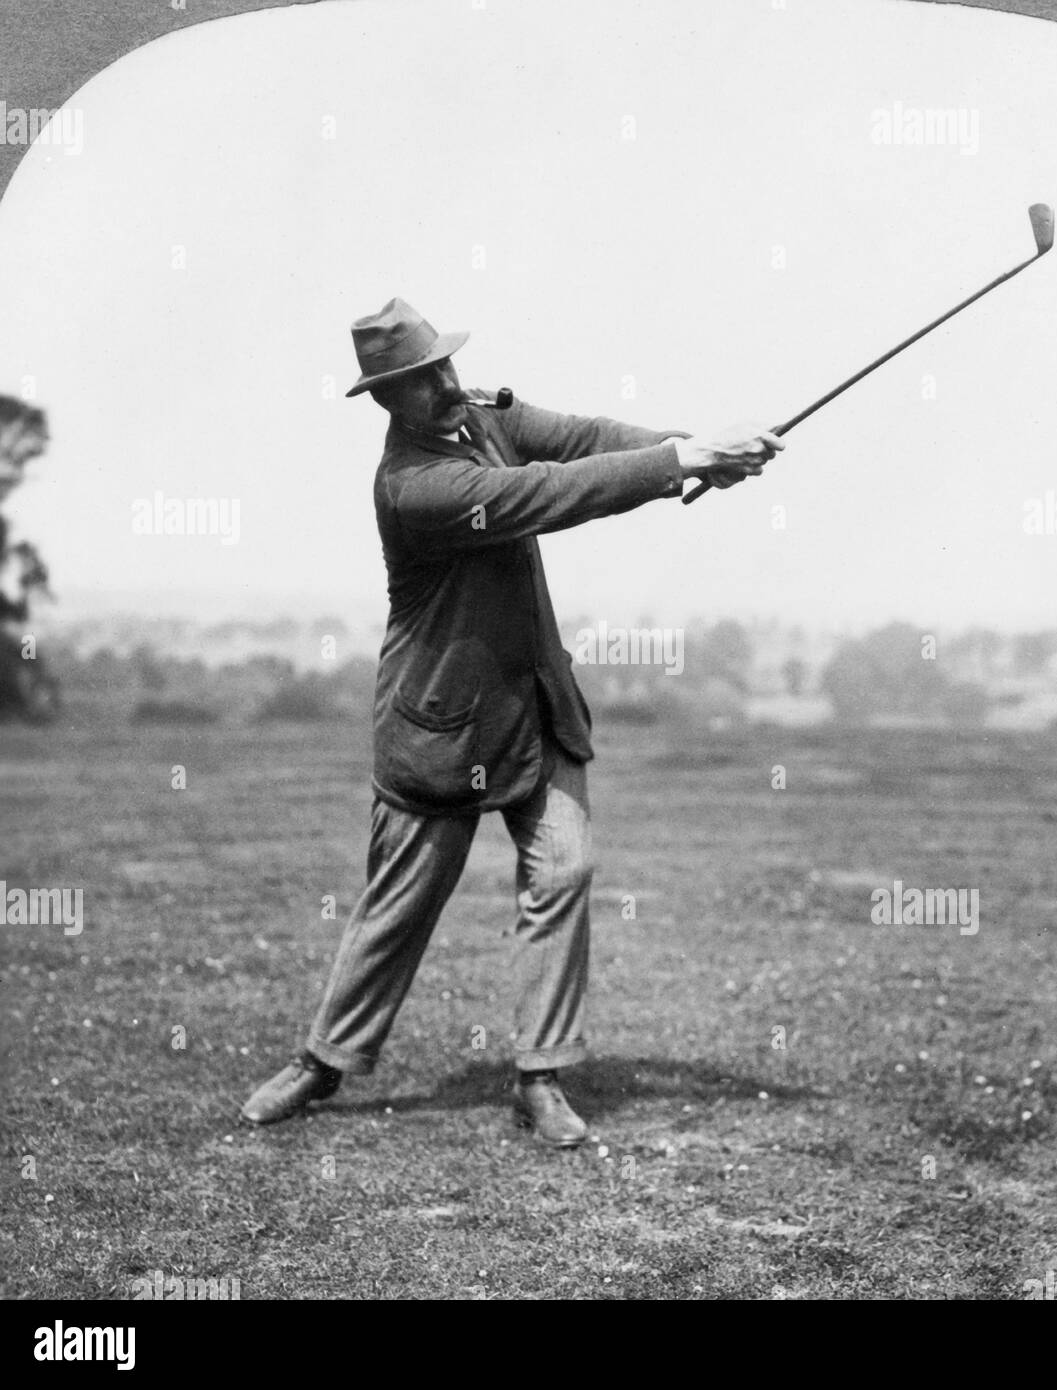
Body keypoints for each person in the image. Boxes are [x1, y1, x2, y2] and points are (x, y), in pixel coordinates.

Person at [241, 298, 783, 1145]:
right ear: (388, 399)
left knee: (565, 871)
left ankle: (539, 1078)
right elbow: (545, 494)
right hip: (440, 727)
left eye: (445, 365)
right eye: (425, 381)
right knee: (399, 905)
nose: (447, 384)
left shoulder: (483, 415)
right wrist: (685, 458)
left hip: (534, 710)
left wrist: (695, 452)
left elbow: (582, 441)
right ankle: (323, 1060)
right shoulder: (416, 488)